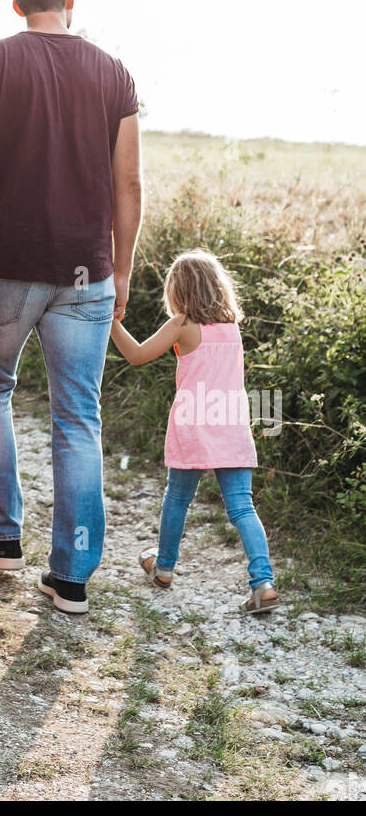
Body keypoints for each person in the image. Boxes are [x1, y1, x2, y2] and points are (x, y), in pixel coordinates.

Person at [0, 0, 142, 615]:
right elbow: (129, 182)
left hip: (9, 266)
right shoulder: (115, 73)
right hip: (86, 272)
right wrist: (123, 268)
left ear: (17, 3)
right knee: (78, 415)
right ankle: (71, 577)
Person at [109, 248, 279, 615]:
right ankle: (263, 582)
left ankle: (165, 568)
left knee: (177, 499)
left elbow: (137, 355)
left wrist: (111, 323)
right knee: (242, 506)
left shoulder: (183, 324)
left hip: (194, 425)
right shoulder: (231, 327)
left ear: (179, 292)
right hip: (231, 423)